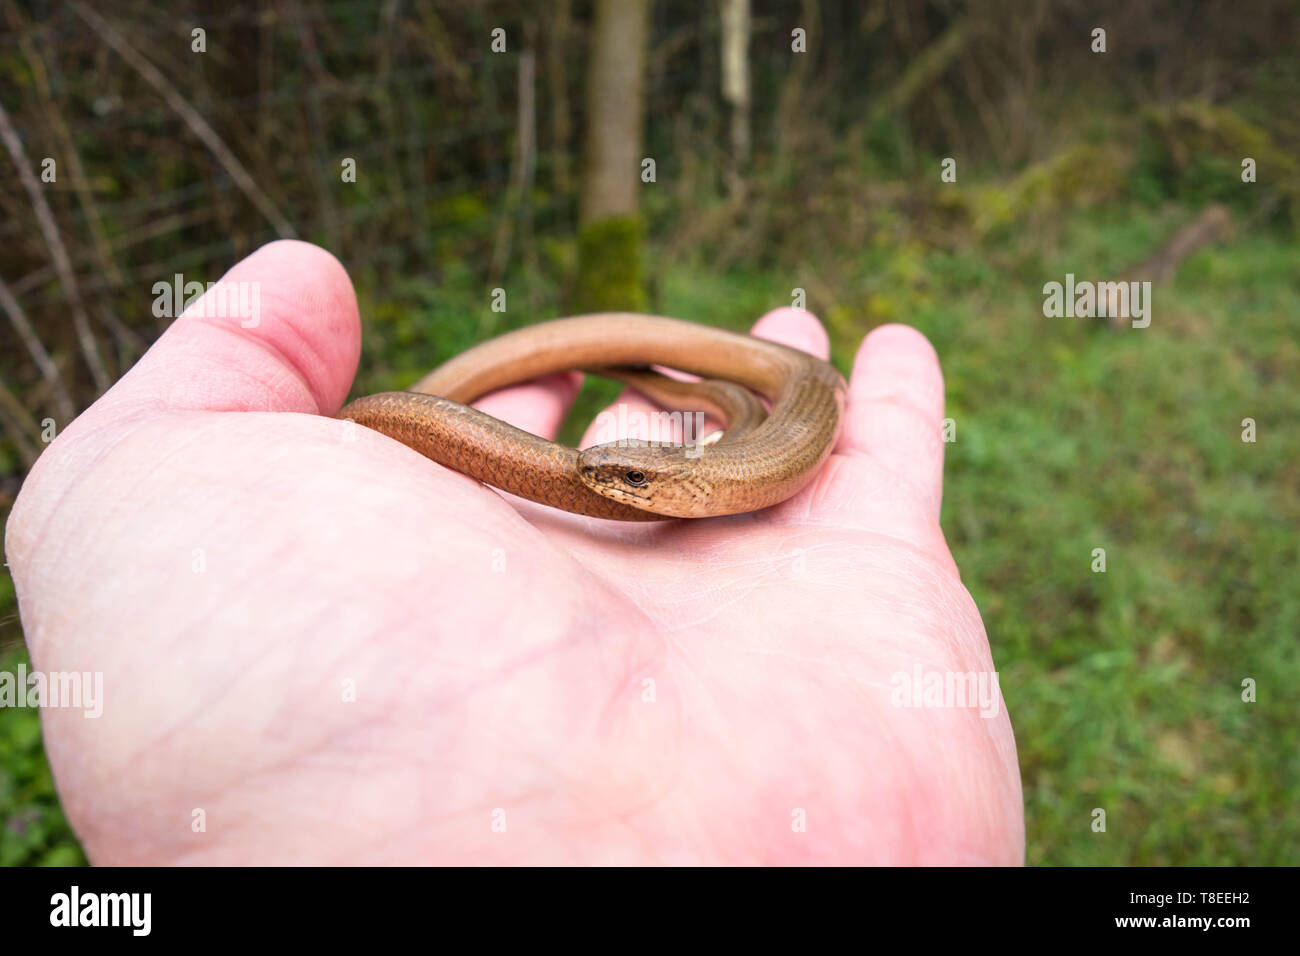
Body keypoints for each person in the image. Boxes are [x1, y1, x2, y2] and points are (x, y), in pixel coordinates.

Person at [6, 240, 1023, 864]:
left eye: (627, 480)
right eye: (618, 478)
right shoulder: (682, 459)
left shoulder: (731, 459)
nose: (600, 479)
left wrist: (722, 404)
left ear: (690, 467)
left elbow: (712, 447)